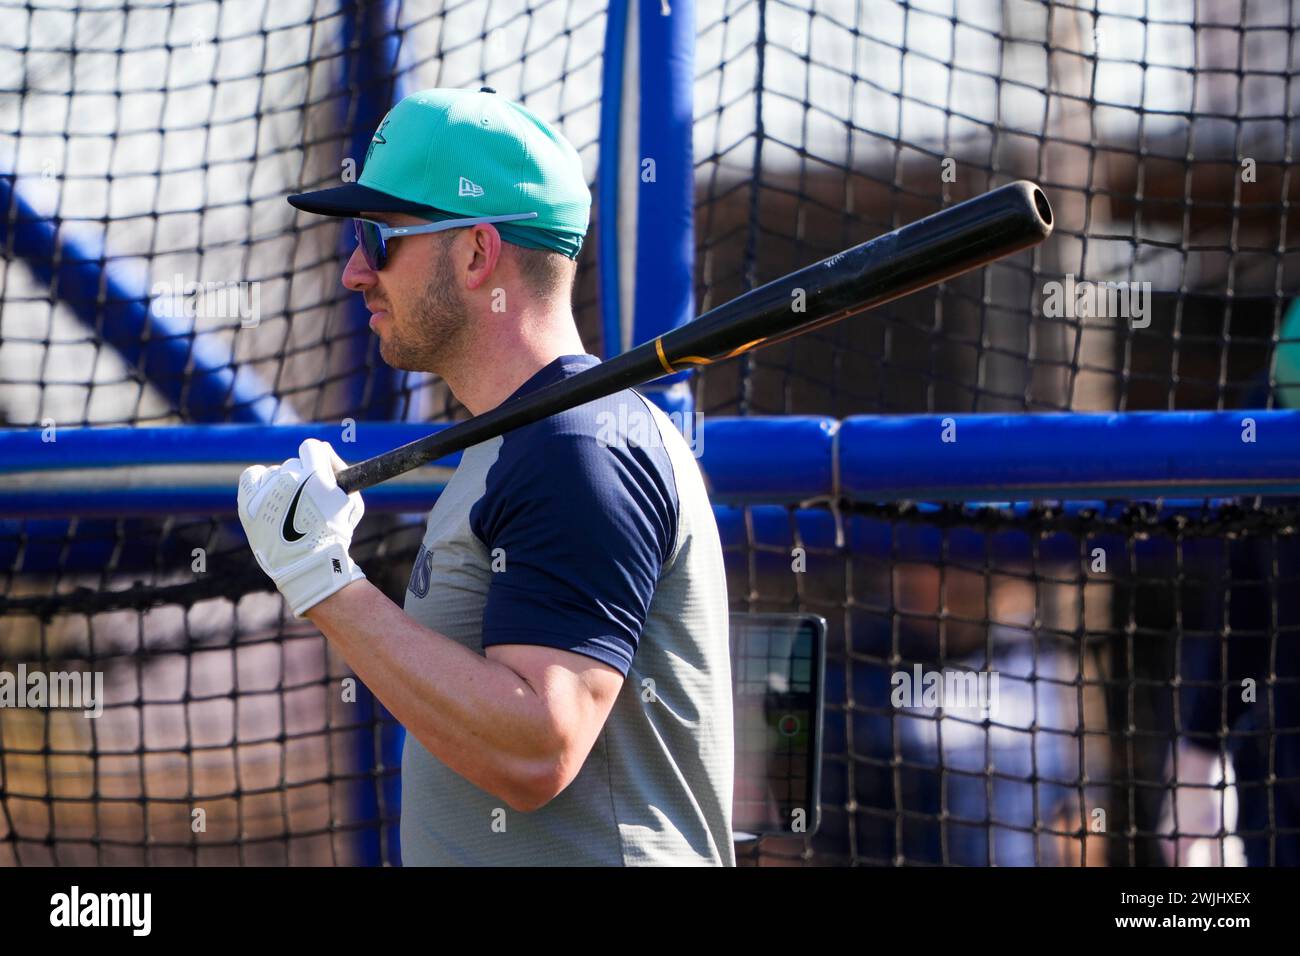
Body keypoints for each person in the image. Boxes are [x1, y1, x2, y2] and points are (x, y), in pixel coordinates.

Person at [235, 87, 735, 865]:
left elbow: (539, 749)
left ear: (476, 253)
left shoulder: (578, 445)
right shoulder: (520, 444)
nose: (355, 272)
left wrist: (326, 584)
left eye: (380, 236)